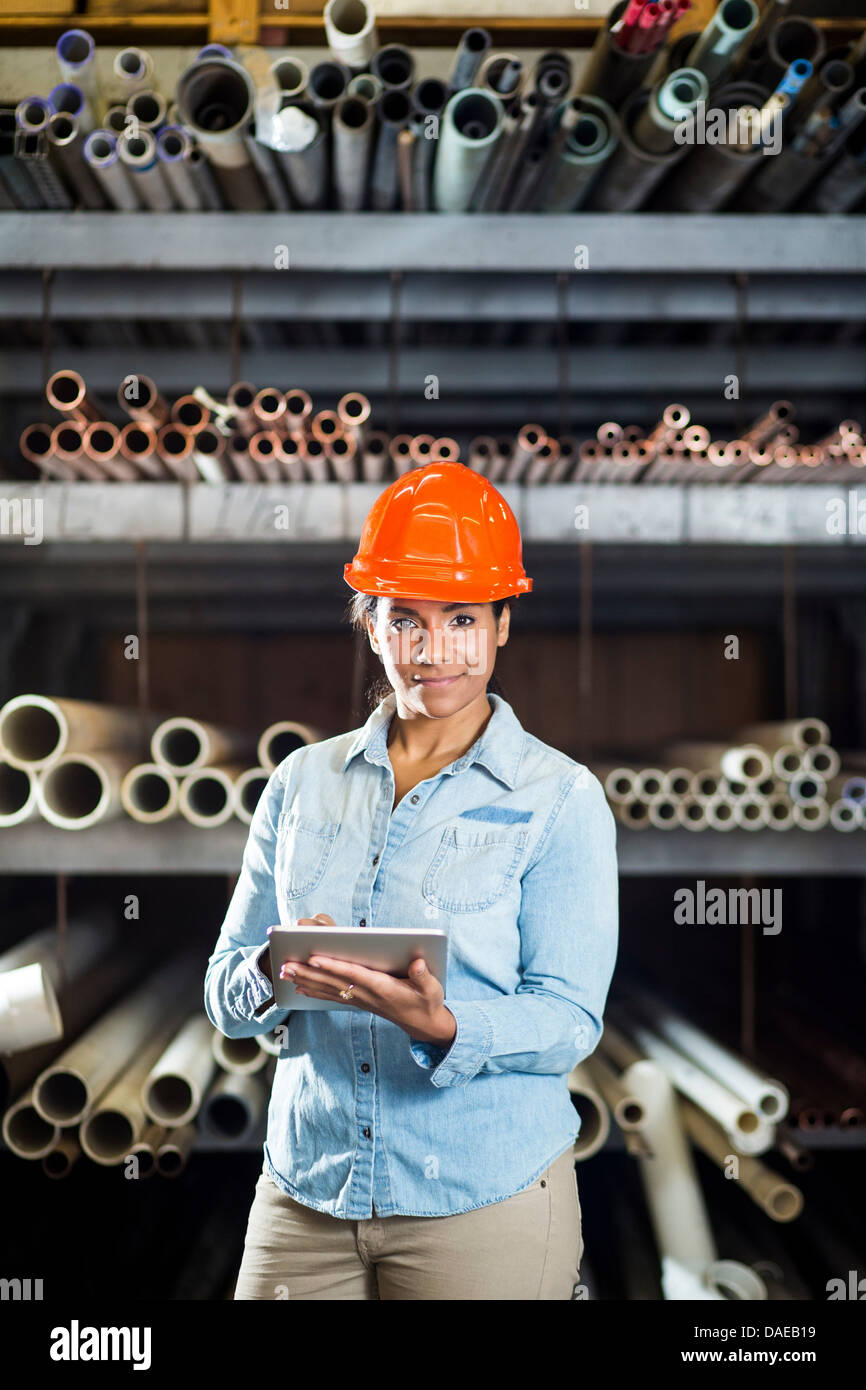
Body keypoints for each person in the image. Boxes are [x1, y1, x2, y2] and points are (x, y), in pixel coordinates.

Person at [204, 460, 619, 1300]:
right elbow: (222, 991)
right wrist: (268, 973)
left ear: (503, 624)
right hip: (308, 1189)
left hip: (480, 1199)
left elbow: (571, 1019)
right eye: (405, 620)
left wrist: (448, 1026)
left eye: (462, 619)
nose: (432, 652)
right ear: (371, 625)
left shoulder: (560, 798)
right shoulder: (299, 783)